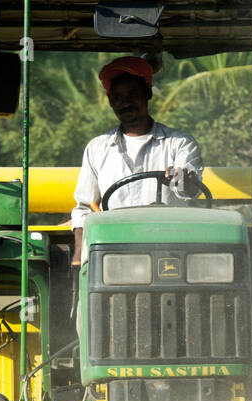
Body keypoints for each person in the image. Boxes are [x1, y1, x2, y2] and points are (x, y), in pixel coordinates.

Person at [70, 57, 203, 268]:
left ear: (147, 93)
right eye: (117, 97)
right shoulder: (97, 148)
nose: (125, 103)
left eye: (132, 94)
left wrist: (184, 181)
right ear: (111, 102)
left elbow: (188, 188)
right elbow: (84, 209)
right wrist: (78, 258)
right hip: (115, 253)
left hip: (170, 251)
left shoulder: (179, 143)